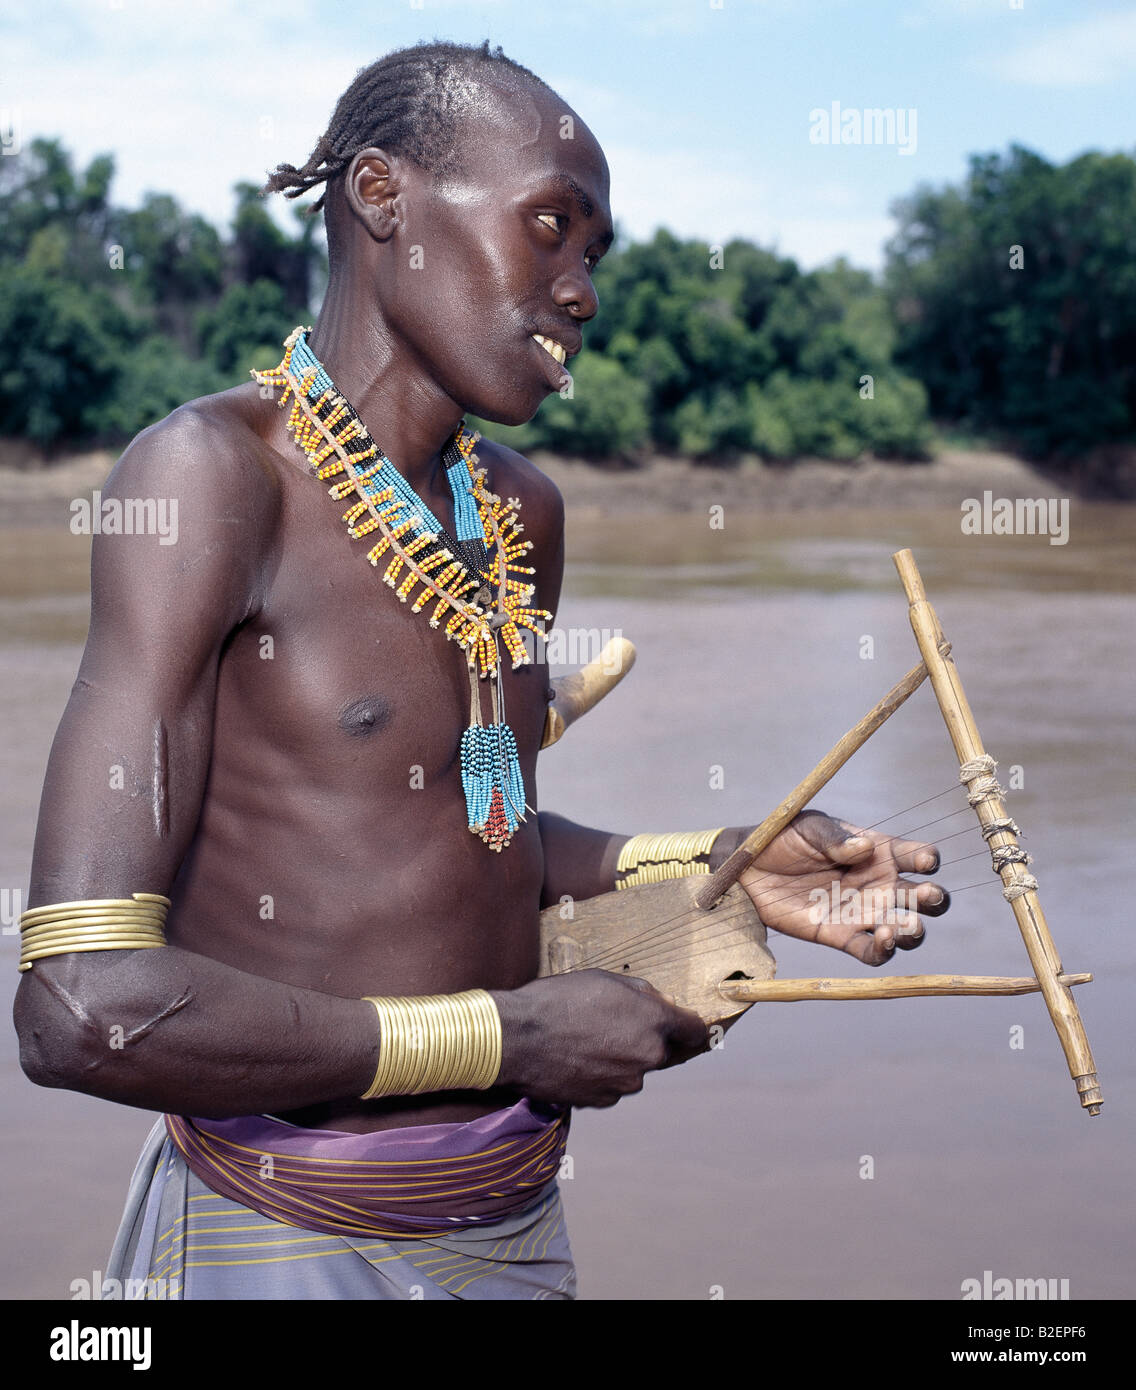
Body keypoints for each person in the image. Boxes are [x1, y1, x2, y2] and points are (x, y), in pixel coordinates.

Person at [13, 41, 947, 1300]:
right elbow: (79, 1006)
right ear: (382, 197)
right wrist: (508, 1033)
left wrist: (715, 858)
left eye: (595, 256)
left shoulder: (519, 512)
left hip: (515, 1230)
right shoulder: (206, 482)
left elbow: (456, 832)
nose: (583, 292)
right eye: (550, 227)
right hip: (279, 1236)